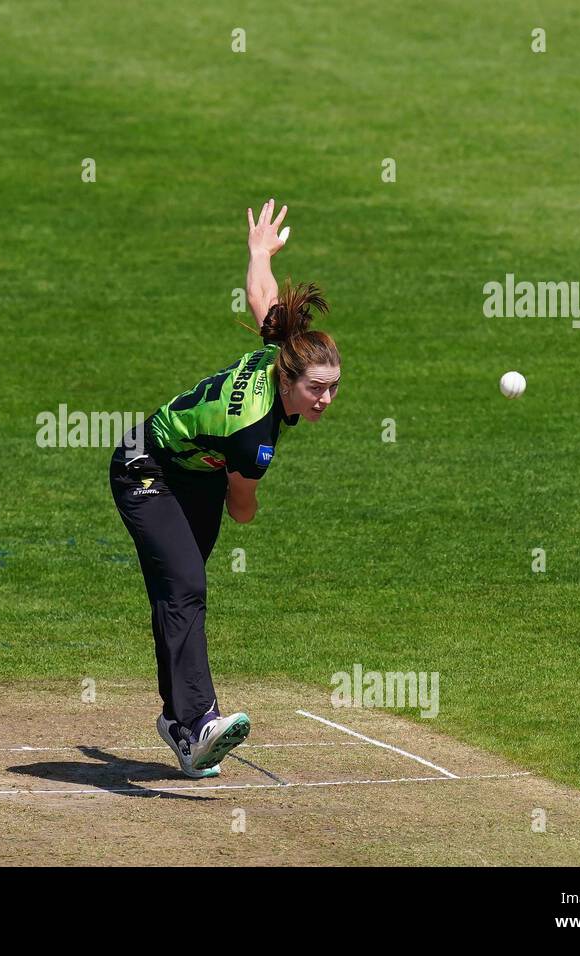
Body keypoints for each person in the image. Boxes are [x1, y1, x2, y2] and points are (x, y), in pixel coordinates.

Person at [109, 199, 342, 778]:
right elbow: (242, 509)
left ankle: (180, 728)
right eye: (317, 389)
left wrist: (259, 252)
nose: (326, 400)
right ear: (289, 379)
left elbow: (265, 302)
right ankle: (200, 718)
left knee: (176, 593)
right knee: (185, 584)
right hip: (146, 469)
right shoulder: (253, 437)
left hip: (196, 473)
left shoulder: (276, 354)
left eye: (335, 387)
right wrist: (252, 499)